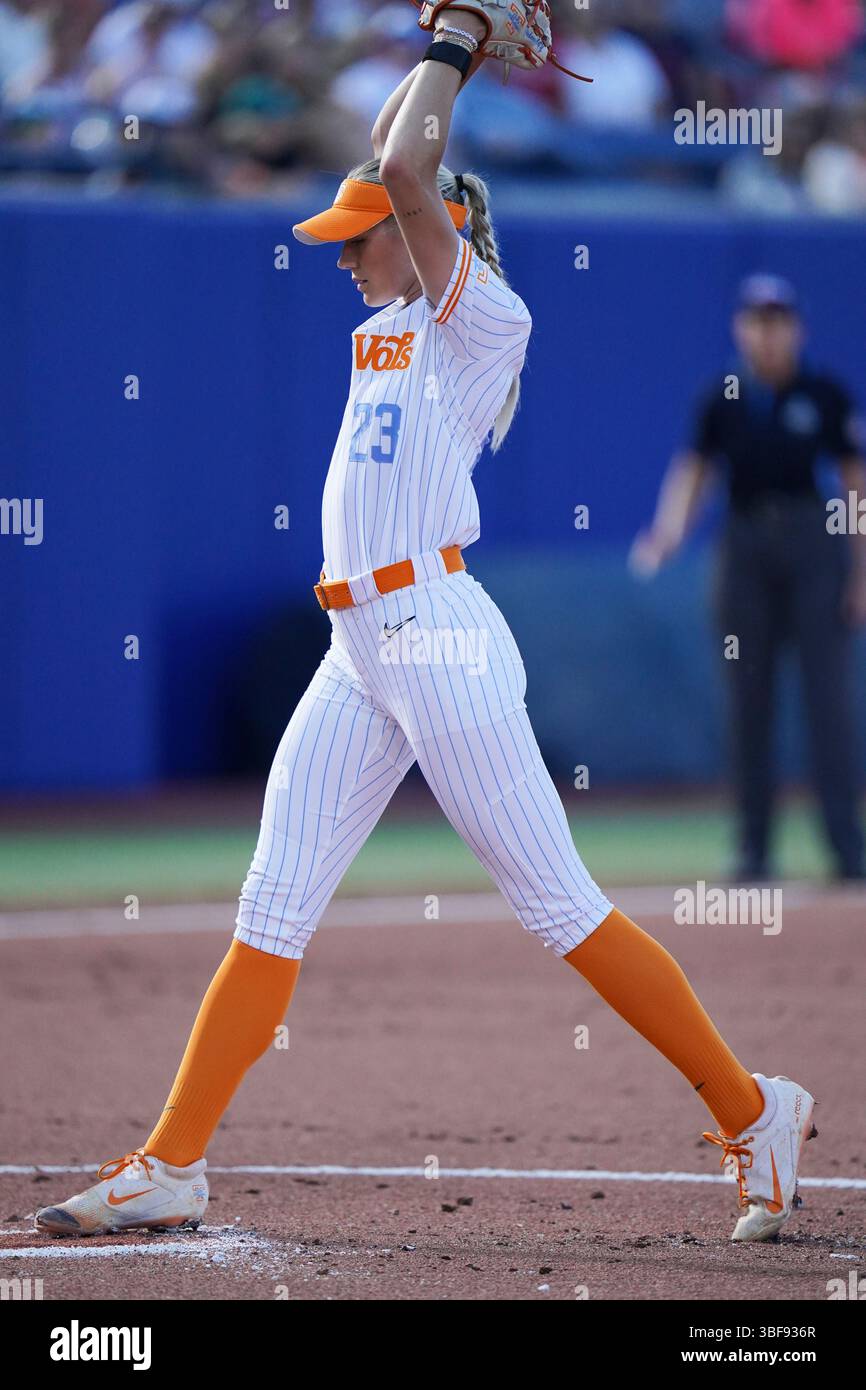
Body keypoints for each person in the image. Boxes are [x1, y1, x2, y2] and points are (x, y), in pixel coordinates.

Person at [35, 8, 816, 1248]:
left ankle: (750, 1106)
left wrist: (454, 41)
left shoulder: (479, 320)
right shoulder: (384, 324)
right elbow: (391, 160)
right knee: (270, 904)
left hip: (438, 632)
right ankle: (173, 1162)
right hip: (356, 651)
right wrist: (431, 70)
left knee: (558, 905)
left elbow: (405, 173)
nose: (346, 255)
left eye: (363, 239)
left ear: (424, 232)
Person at [631, 273, 866, 881]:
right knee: (748, 702)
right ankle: (754, 850)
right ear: (741, 328)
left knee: (828, 703)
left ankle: (847, 847)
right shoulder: (723, 395)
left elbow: (853, 483)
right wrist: (668, 533)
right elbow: (694, 471)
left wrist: (861, 571)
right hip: (745, 548)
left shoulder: (825, 392)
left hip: (816, 544)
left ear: (798, 329)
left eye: (779, 321)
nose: (768, 333)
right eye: (757, 321)